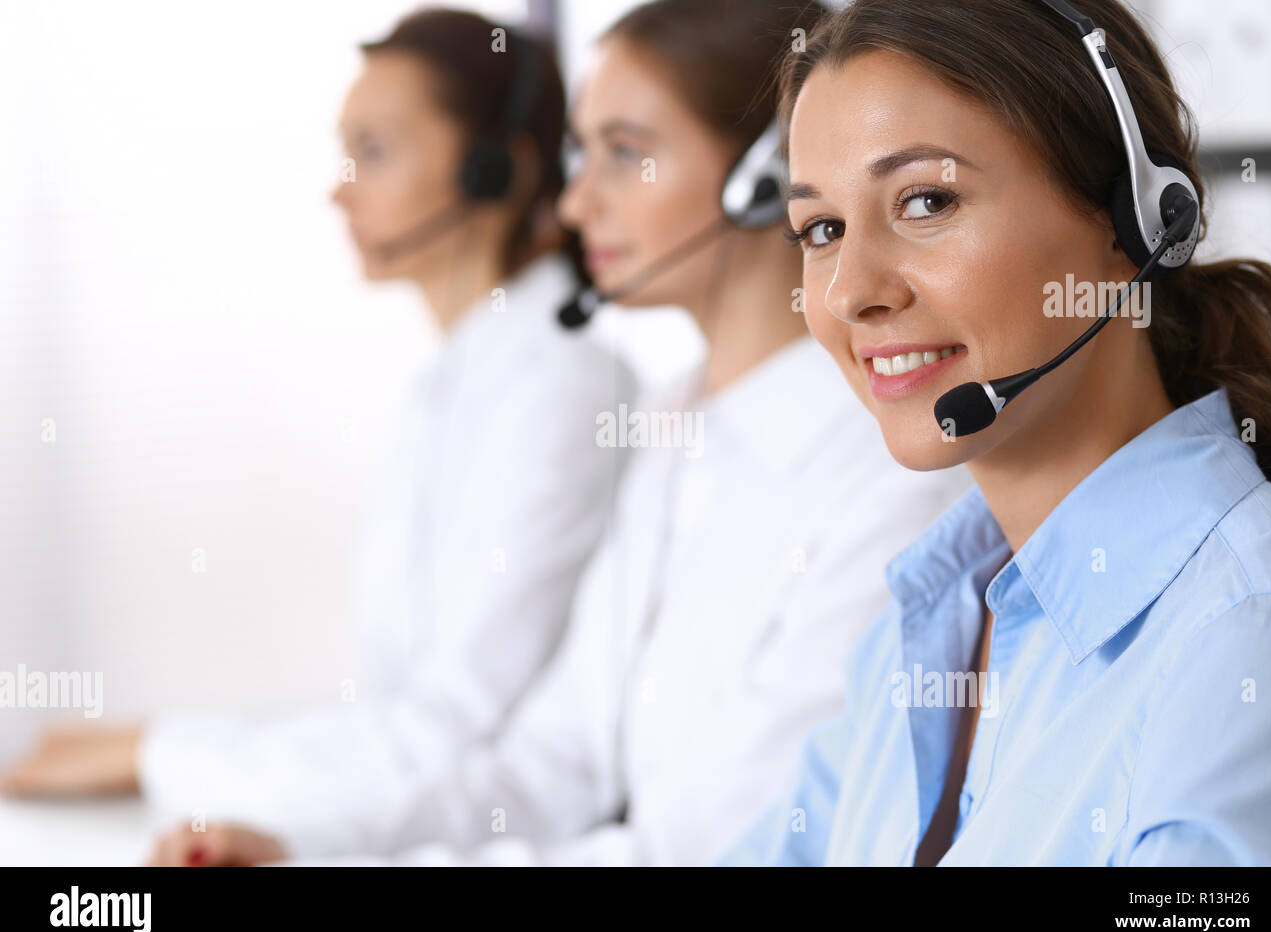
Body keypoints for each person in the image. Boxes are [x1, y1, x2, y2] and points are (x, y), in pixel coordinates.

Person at [141, 0, 971, 867]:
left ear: (770, 173)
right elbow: (546, 768)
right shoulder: (669, 431)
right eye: (583, 155)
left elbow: (707, 849)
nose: (574, 203)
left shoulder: (889, 476)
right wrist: (296, 847)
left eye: (625, 153)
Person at [1, 10, 634, 853]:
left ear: (494, 172)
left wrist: (153, 752)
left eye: (374, 151)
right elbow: (395, 710)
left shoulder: (563, 389)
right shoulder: (448, 385)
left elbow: (453, 727)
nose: (339, 188)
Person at [722, 0, 1271, 866]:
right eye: (823, 229)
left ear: (1138, 220)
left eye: (925, 201)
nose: (848, 293)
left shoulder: (1255, 629)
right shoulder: (921, 632)